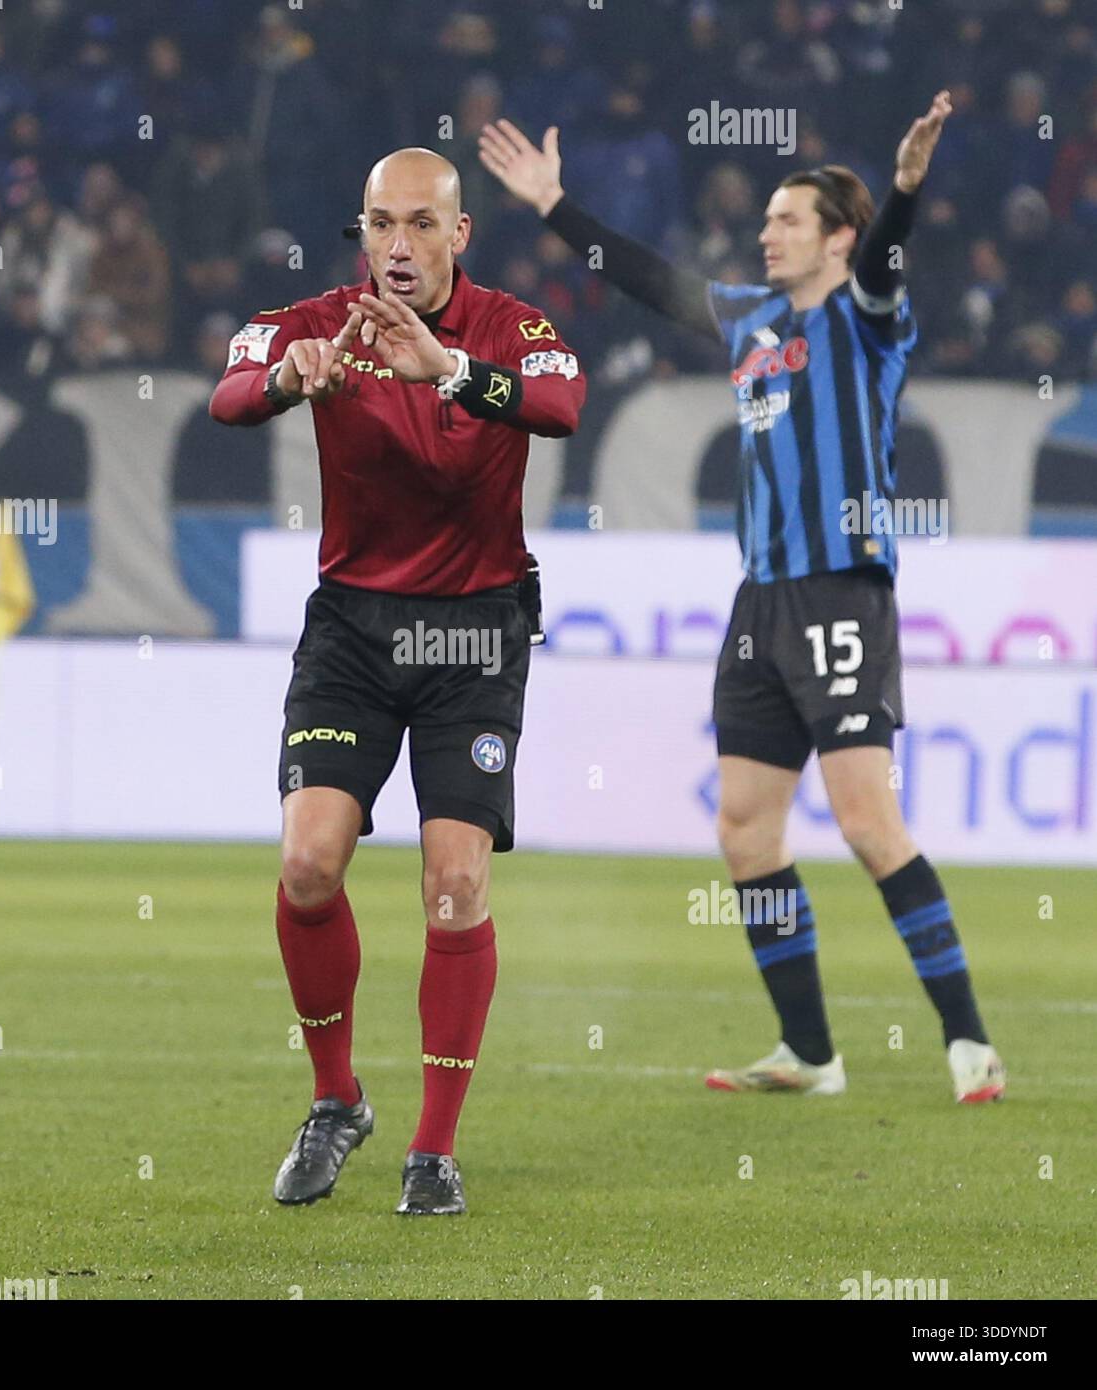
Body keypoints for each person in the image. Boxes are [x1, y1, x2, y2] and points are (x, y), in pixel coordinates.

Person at [480, 94, 1006, 1104]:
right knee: (745, 833)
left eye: (786, 220)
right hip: (759, 604)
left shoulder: (863, 318)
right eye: (764, 217)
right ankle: (809, 1052)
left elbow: (890, 257)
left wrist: (901, 187)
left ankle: (970, 1042)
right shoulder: (748, 319)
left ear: (836, 239)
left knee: (866, 825)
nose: (764, 231)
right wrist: (555, 207)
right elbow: (645, 278)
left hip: (841, 594)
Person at [209, 148, 585, 1212]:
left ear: (460, 233)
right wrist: (291, 379)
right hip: (355, 629)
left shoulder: (512, 328)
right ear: (361, 231)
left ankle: (433, 1147)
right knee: (306, 867)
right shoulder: (319, 321)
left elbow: (562, 405)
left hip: (474, 630)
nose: (399, 246)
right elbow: (229, 392)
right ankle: (337, 1101)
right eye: (380, 225)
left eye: (421, 224)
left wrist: (449, 372)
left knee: (456, 885)